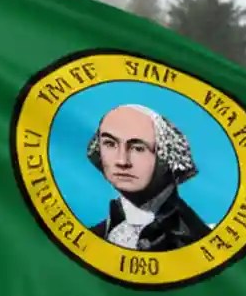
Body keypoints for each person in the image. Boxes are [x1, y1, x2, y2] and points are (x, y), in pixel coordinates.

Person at [85, 104, 211, 251]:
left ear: (167, 156)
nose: (122, 161)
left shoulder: (195, 241)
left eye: (138, 148)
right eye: (110, 144)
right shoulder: (93, 237)